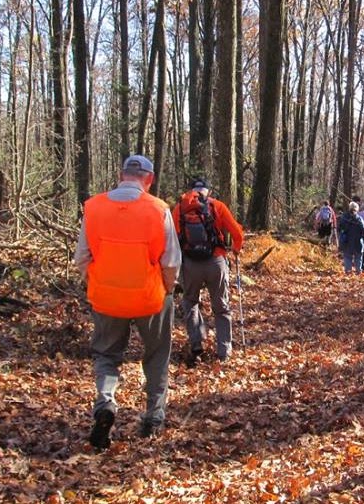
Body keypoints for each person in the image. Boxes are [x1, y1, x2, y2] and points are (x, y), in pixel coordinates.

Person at [74, 154, 181, 450]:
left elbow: (81, 257)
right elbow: (171, 260)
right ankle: (153, 418)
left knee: (106, 354)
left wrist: (95, 281)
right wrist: (168, 288)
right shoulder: (158, 209)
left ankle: (105, 402)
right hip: (150, 297)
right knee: (157, 355)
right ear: (149, 179)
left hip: (106, 297)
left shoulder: (94, 207)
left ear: (121, 175)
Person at [173, 178, 244, 366]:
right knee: (221, 307)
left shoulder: (180, 208)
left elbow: (171, 236)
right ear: (207, 191)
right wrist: (236, 248)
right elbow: (237, 232)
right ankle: (224, 350)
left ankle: (196, 342)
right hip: (216, 261)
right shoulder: (217, 206)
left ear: (191, 191)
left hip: (189, 264)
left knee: (190, 302)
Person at [339, 202, 364, 274]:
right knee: (358, 257)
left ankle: (348, 271)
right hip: (358, 241)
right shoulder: (359, 218)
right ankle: (358, 271)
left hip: (347, 241)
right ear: (357, 209)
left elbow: (339, 228)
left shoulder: (344, 218)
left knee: (347, 257)